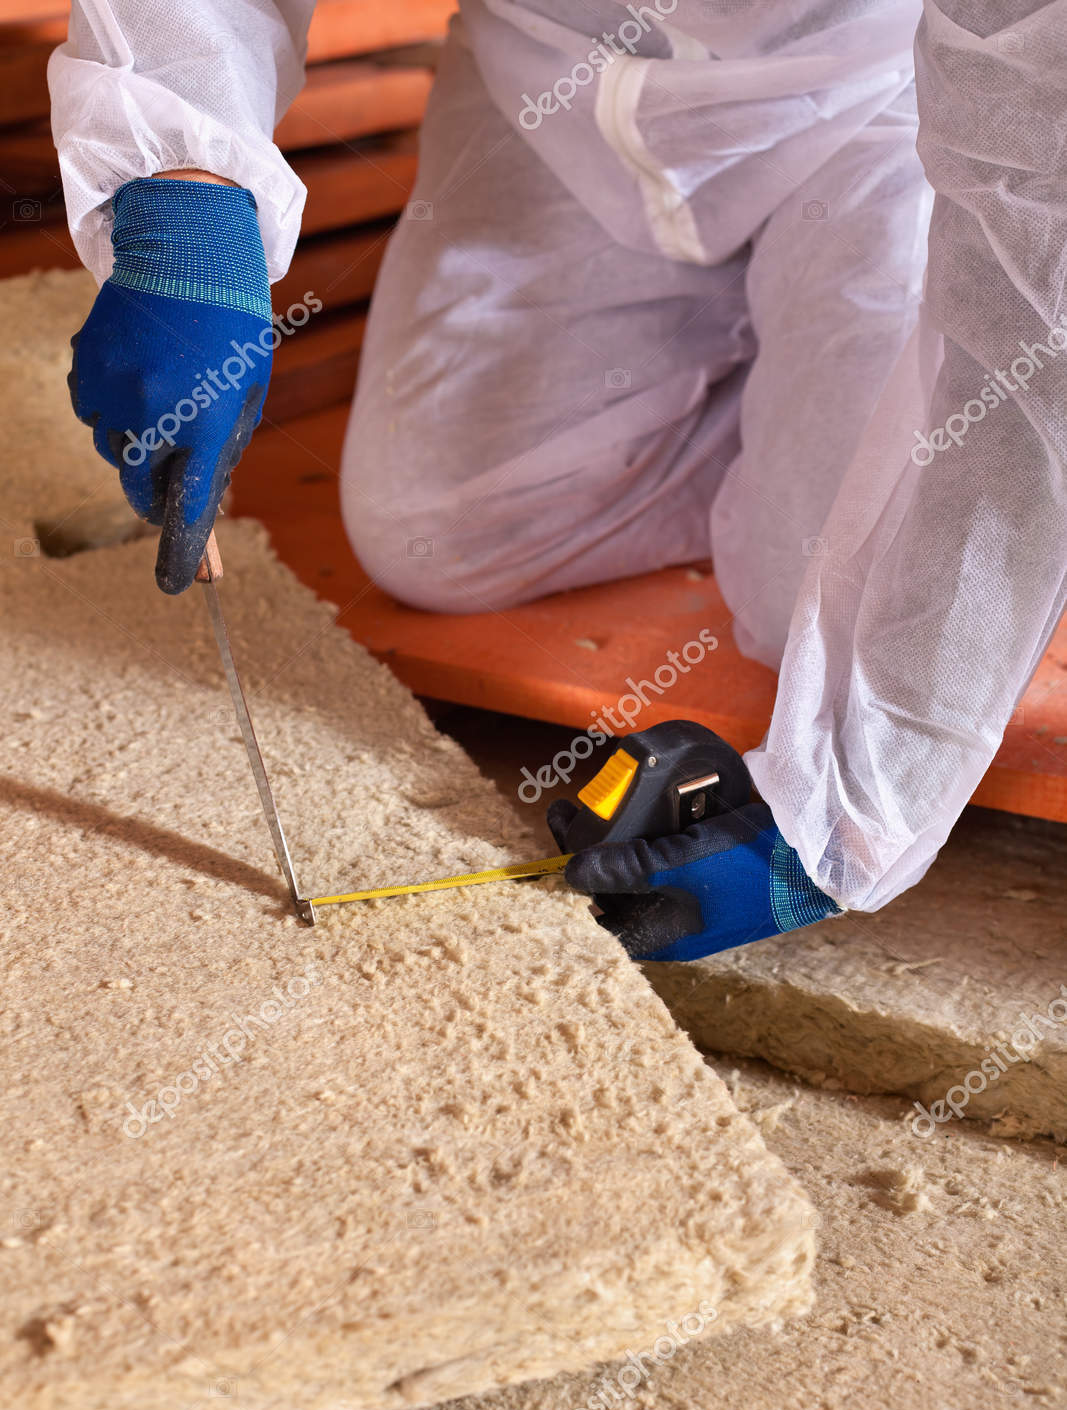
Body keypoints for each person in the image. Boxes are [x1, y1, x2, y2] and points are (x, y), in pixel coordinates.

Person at [50, 2, 1067, 962]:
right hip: (553, 77)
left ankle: (822, 357)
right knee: (431, 533)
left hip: (880, 103)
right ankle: (762, 376)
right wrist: (184, 194)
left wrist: (848, 827)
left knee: (793, 592)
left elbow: (1037, 281)